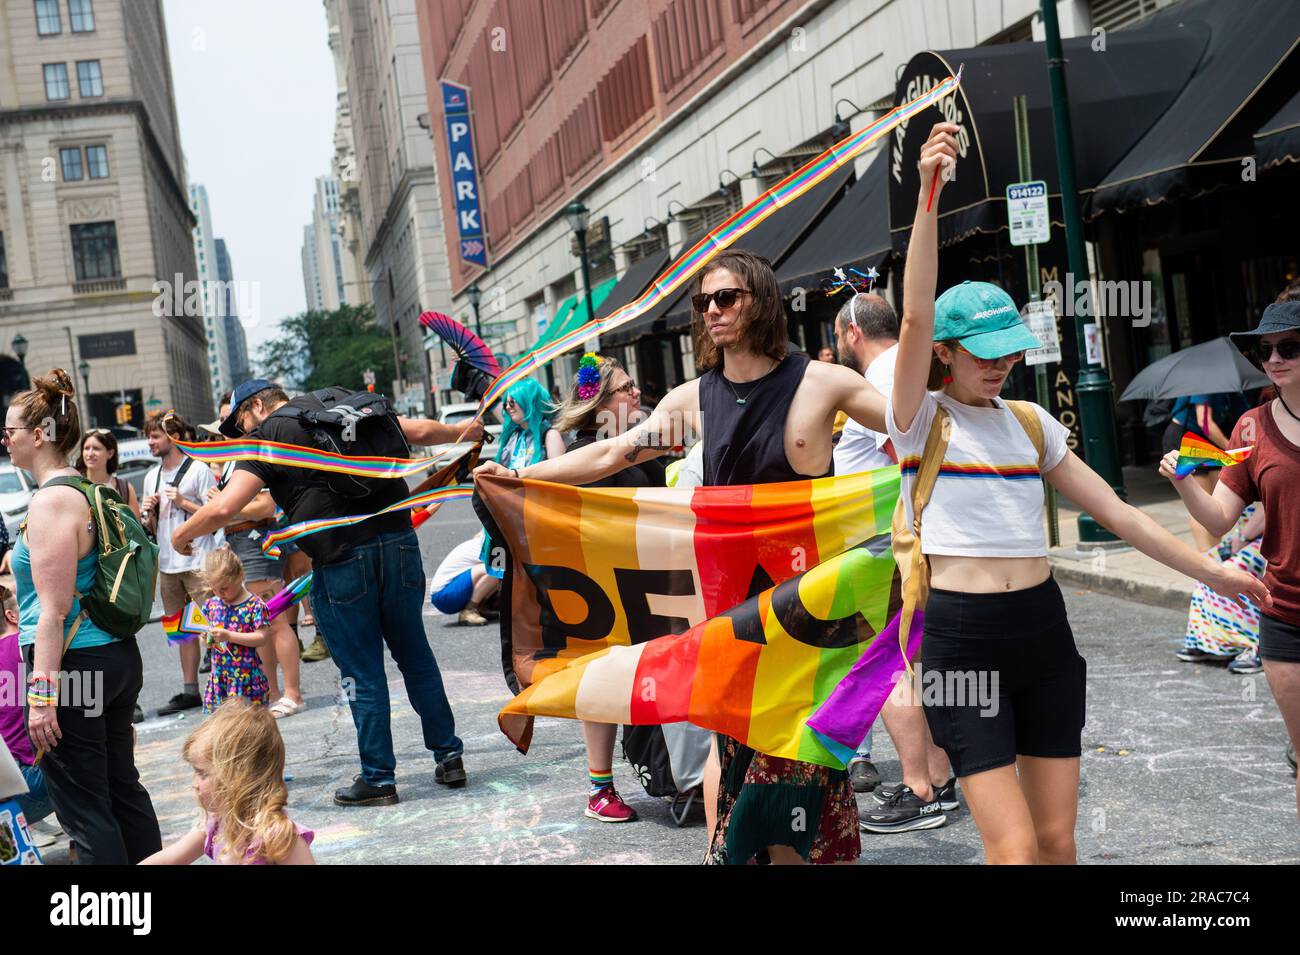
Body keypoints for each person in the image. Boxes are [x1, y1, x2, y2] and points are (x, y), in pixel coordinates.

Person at [888, 122, 1269, 864]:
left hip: (1043, 633)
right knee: (1016, 845)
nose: (1000, 366)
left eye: (1009, 352)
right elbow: (910, 313)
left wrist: (1216, 571)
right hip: (961, 639)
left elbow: (1121, 513)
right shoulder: (918, 420)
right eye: (983, 354)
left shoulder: (1031, 426)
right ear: (944, 352)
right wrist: (930, 197)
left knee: (1059, 840)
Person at [476, 240, 897, 863]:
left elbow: (911, 424)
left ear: (761, 301)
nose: (711, 311)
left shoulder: (821, 382)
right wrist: (526, 479)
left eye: (725, 297)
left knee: (798, 753)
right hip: (730, 609)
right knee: (729, 745)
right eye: (703, 302)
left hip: (808, 604)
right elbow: (612, 453)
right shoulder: (694, 399)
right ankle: (721, 854)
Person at [173, 379, 482, 806]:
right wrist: (470, 430)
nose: (241, 434)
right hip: (398, 544)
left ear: (257, 406)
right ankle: (449, 756)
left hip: (341, 561)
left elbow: (226, 507)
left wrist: (182, 534)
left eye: (240, 421)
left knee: (362, 672)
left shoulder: (266, 439)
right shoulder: (341, 407)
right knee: (416, 656)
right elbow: (422, 432)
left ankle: (378, 778)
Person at [7, 368, 162, 864]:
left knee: (85, 808)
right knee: (122, 790)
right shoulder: (90, 490)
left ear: (38, 436)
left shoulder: (52, 502)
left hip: (74, 666)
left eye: (9, 430)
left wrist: (40, 697)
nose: (4, 439)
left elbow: (52, 612)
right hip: (114, 657)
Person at [1162, 297, 1300, 819]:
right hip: (1285, 612)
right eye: (1266, 350)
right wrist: (1184, 483)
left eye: (1289, 347)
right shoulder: (1251, 428)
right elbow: (1220, 518)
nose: (1275, 359)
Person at [829, 291, 960, 829]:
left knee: (885, 664)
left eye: (838, 337)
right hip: (905, 540)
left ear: (852, 333)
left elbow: (906, 459)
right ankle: (941, 779)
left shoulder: (874, 385)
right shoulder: (904, 376)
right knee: (911, 662)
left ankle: (919, 789)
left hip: (880, 542)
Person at [552, 353, 661, 823]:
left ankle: (675, 773)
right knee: (603, 677)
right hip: (602, 582)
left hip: (650, 574)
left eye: (635, 385)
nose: (636, 393)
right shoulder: (583, 449)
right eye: (624, 389)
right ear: (599, 403)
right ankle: (599, 788)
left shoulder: (643, 440)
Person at [204, 395, 304, 716]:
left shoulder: (251, 452)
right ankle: (274, 692)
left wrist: (224, 509)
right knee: (261, 624)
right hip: (241, 542)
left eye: (229, 420)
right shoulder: (235, 456)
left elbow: (265, 507)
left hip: (255, 540)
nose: (224, 428)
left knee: (273, 623)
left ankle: (291, 693)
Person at [140, 698, 315, 865]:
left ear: (237, 776)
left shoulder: (277, 835)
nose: (195, 783)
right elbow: (167, 860)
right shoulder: (216, 824)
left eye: (202, 774)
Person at [142, 410, 220, 716]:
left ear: (172, 438)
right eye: (149, 436)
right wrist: (149, 512)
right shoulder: (152, 476)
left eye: (155, 436)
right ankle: (191, 690)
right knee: (179, 628)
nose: (150, 442)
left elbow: (215, 514)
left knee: (214, 622)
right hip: (167, 563)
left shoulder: (198, 469)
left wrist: (183, 502)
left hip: (198, 558)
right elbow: (151, 527)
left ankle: (225, 681)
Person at [480, 377, 566, 581]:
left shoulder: (550, 435)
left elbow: (561, 480)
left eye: (513, 402)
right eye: (506, 403)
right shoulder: (513, 436)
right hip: (511, 519)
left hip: (538, 522)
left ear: (529, 401)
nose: (508, 407)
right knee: (509, 576)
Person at [1175, 504, 1266, 673]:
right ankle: (1210, 642)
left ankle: (1259, 646)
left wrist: (1242, 538)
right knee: (1206, 567)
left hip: (1276, 536)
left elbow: (1270, 507)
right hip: (1249, 532)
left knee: (1230, 571)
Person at [1162, 391, 1250, 552]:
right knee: (1200, 499)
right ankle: (1207, 557)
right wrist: (1232, 450)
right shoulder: (1205, 381)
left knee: (1217, 504)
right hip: (1187, 438)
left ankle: (1215, 554)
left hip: (1212, 440)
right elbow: (1205, 423)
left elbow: (1245, 416)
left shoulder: (1231, 385)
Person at [0, 584, 55, 826]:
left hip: (9, 791)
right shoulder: (32, 651)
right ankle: (81, 838)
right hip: (39, 783)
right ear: (11, 616)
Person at [199, 547, 271, 713]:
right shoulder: (212, 605)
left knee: (248, 726)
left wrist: (229, 636)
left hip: (245, 678)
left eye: (224, 588)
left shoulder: (255, 605)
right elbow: (203, 642)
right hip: (221, 677)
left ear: (240, 576)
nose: (219, 593)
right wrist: (206, 638)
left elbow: (262, 637)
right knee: (223, 729)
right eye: (214, 589)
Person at [429, 531, 497, 626]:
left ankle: (480, 607)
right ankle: (469, 610)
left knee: (499, 569)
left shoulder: (485, 541)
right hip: (444, 596)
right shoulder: (491, 546)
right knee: (496, 569)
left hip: (447, 594)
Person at [78, 428, 142, 518]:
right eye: (86, 448)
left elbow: (135, 529)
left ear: (110, 453)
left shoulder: (124, 488)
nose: (90, 453)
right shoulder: (76, 487)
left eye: (96, 448)